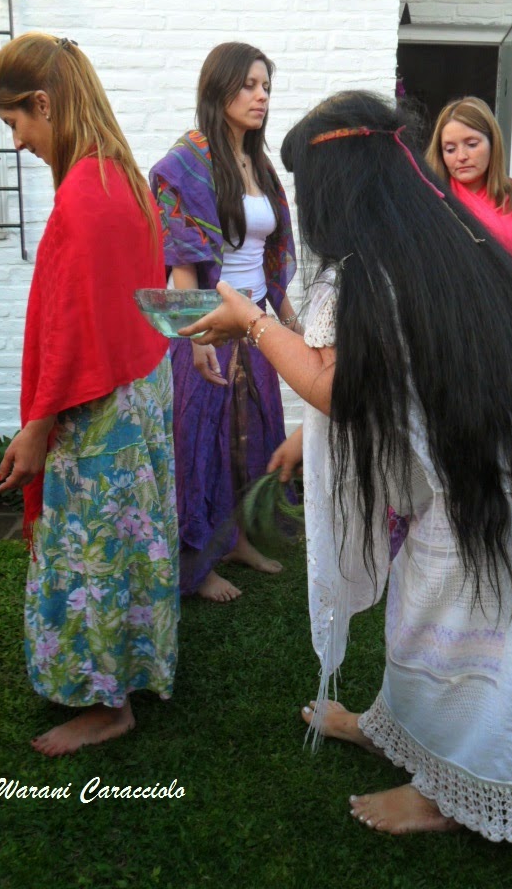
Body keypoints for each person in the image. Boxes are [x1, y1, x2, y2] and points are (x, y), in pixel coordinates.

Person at [180, 90, 512, 845]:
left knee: (477, 626)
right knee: (433, 605)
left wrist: (254, 322)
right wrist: (305, 433)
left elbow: (339, 384)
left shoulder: (359, 267)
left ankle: (452, 791)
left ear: (330, 187)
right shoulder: (441, 231)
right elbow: (375, 374)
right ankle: (398, 731)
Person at [0, 33, 178, 756]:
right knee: (130, 544)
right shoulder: (122, 179)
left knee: (90, 551)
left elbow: (71, 328)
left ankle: (105, 705)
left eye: (15, 123)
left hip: (98, 407)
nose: (18, 140)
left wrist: (36, 427)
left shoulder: (84, 197)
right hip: (135, 392)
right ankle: (129, 672)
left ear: (43, 103)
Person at [149, 42, 297, 603]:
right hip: (209, 326)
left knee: (250, 441)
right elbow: (180, 261)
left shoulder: (258, 165)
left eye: (266, 87)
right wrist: (191, 340)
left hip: (256, 324)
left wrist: (288, 317)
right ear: (220, 88)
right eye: (250, 86)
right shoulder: (187, 163)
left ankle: (234, 540)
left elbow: (268, 253)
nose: (261, 96)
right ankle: (195, 565)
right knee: (200, 446)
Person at [426, 96, 512, 296]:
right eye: (450, 149)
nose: (461, 156)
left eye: (472, 144)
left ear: (493, 143)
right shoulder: (432, 200)